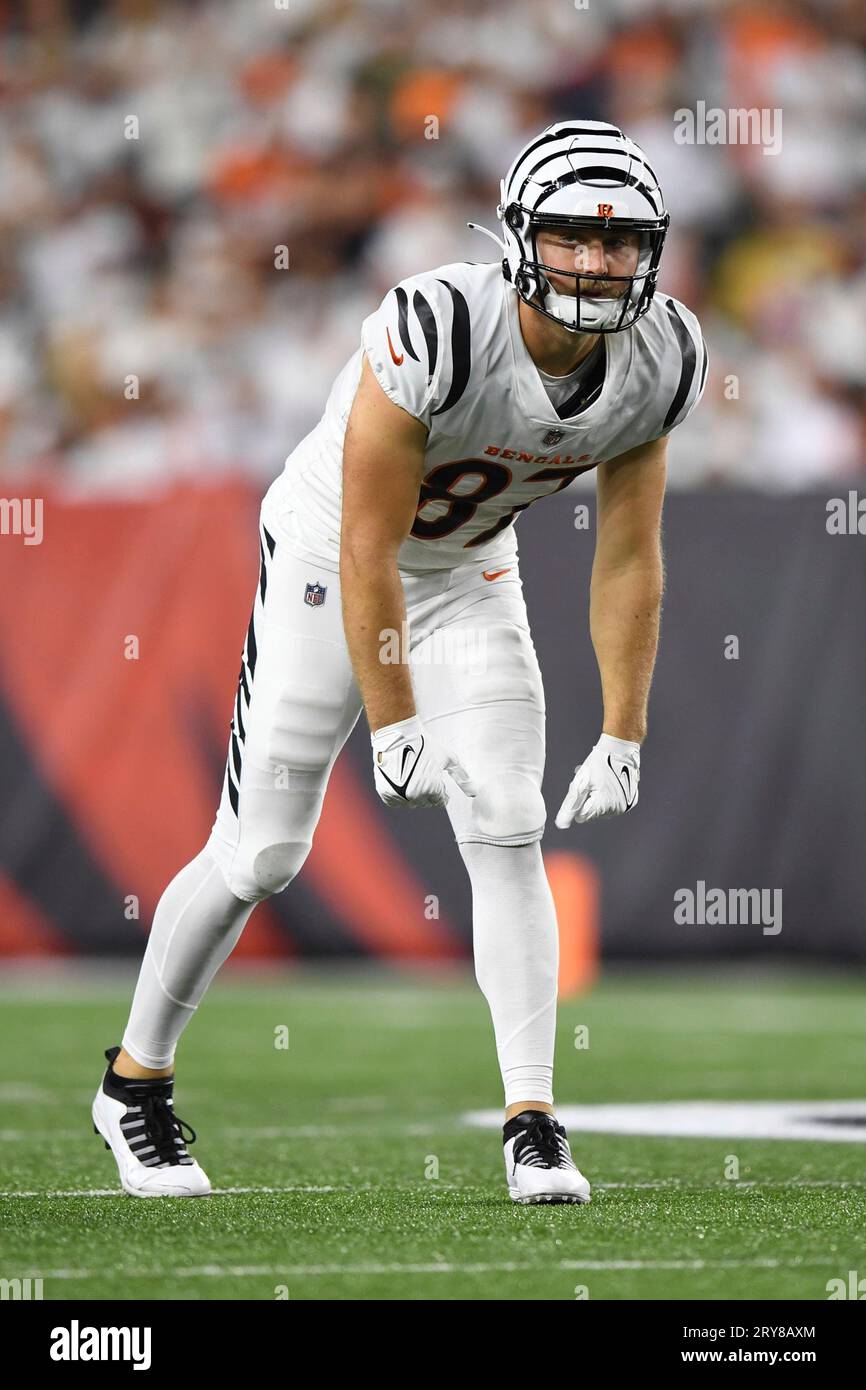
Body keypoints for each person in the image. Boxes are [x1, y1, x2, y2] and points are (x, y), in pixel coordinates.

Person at [92, 120, 707, 1204]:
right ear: (517, 236)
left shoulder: (661, 355)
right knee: (263, 853)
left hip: (469, 566)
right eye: (573, 238)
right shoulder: (437, 324)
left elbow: (625, 559)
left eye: (622, 245)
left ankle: (532, 1120)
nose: (599, 265)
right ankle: (133, 1083)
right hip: (335, 559)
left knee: (508, 819)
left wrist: (624, 727)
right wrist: (392, 716)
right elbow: (366, 542)